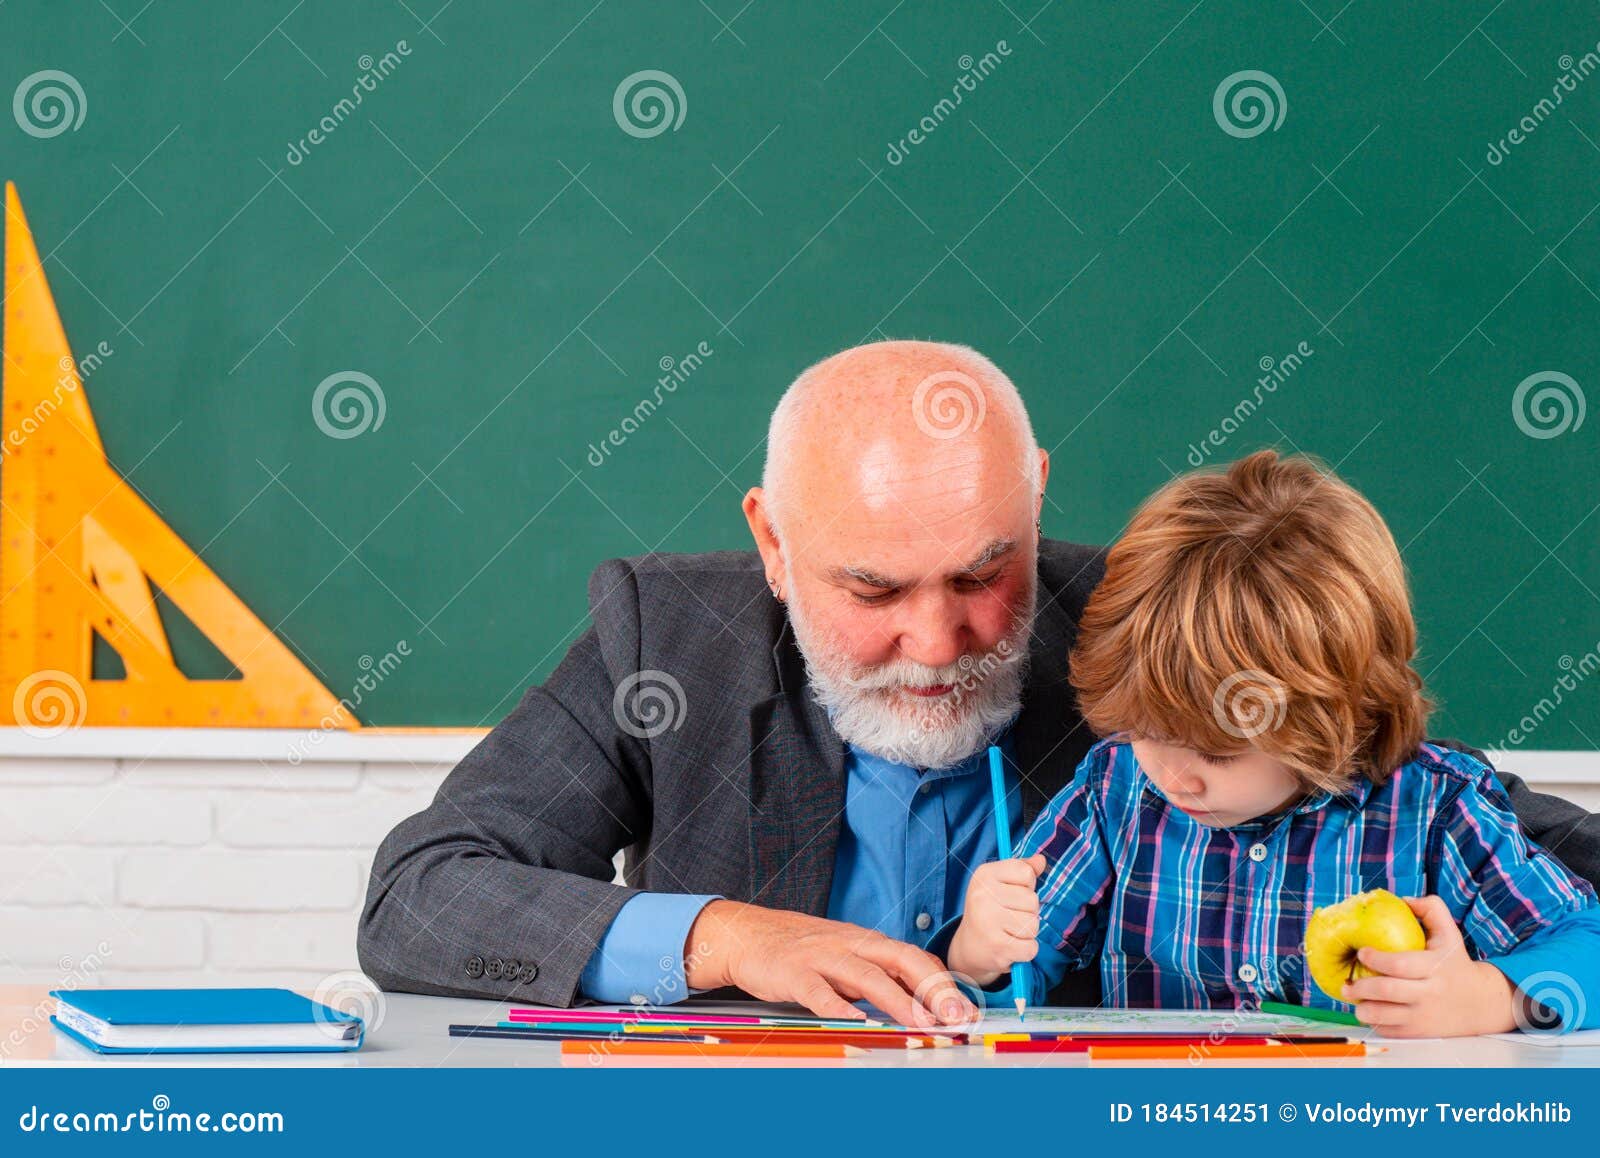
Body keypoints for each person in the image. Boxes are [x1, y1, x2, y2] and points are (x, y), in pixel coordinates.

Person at [357, 341, 1600, 1027]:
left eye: (981, 572)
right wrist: (729, 936)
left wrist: (1500, 991)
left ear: (1036, 501)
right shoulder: (664, 639)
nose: (942, 641)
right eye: (873, 590)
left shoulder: (1154, 637)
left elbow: (1481, 826)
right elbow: (421, 897)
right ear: (774, 547)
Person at [946, 451, 1600, 1035]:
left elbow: (1584, 941)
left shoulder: (1433, 809)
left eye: (1218, 752)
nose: (1175, 778)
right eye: (1145, 732)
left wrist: (1494, 997)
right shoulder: (1113, 791)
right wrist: (981, 958)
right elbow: (1018, 998)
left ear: (1334, 714)